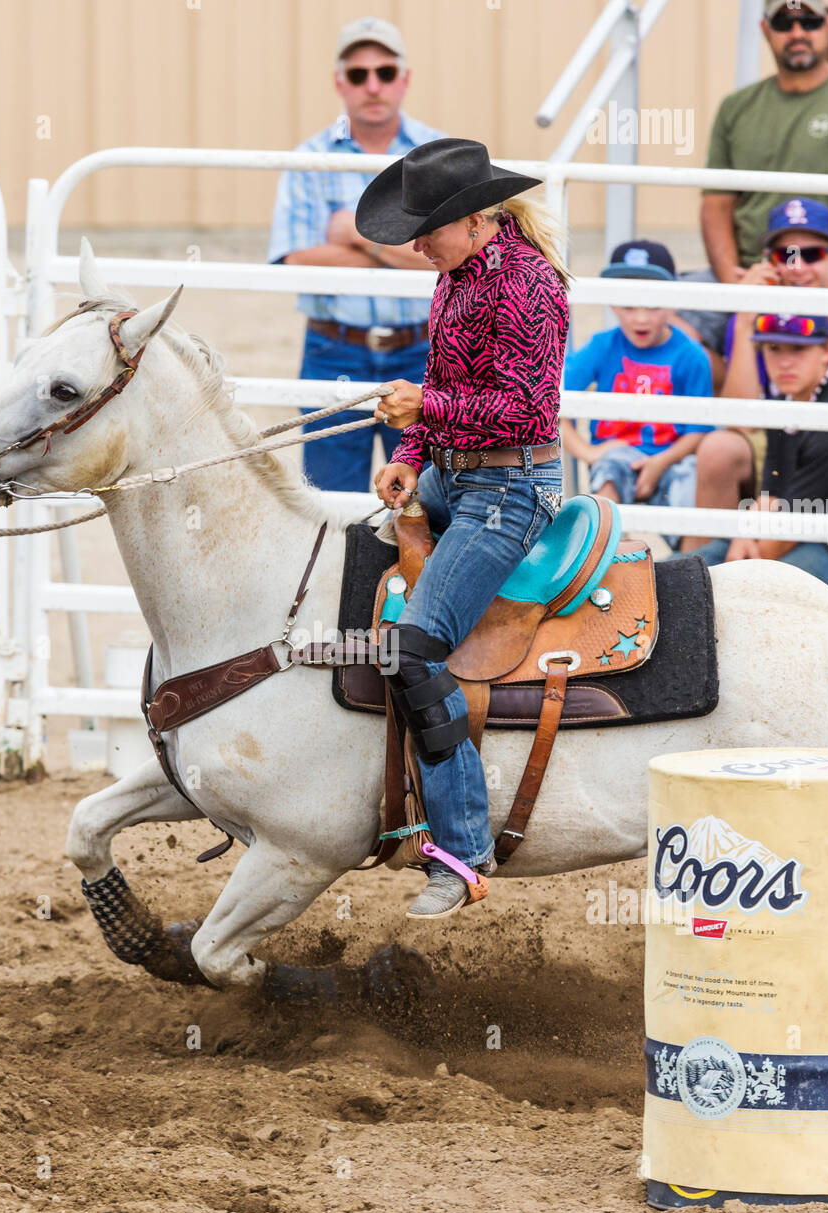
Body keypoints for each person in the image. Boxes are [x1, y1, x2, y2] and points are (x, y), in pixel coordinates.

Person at [357, 138, 570, 919]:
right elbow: (444, 384)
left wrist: (426, 413)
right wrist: (413, 454)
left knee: (415, 647)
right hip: (462, 473)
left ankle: (464, 849)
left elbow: (527, 411)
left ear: (475, 219)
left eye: (427, 229)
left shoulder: (528, 288)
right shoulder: (458, 276)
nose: (415, 244)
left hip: (510, 489)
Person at [267, 16, 445, 492]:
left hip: (427, 350)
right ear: (339, 82)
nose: (373, 85)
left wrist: (358, 234)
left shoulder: (435, 155)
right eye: (359, 74)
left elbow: (453, 256)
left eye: (385, 72)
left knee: (429, 503)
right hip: (333, 349)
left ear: (404, 79)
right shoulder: (310, 157)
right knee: (331, 508)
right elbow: (297, 263)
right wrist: (404, 244)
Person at [678, 0, 828, 359]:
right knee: (668, 339)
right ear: (765, 30)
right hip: (751, 269)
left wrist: (816, 271)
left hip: (820, 268)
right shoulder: (737, 107)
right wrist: (734, 283)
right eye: (783, 23)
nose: (797, 33)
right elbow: (716, 204)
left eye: (808, 21)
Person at [682, 196, 828, 549]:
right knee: (719, 449)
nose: (798, 268)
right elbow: (740, 419)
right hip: (775, 440)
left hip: (820, 443)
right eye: (786, 255)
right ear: (768, 261)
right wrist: (747, 313)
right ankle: (692, 578)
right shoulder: (758, 310)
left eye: (811, 255)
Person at [561, 240, 713, 546]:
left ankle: (688, 562)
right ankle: (608, 556)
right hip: (616, 453)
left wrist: (660, 463)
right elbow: (552, 401)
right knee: (608, 477)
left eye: (653, 306)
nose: (640, 318)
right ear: (613, 303)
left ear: (673, 303)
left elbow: (699, 430)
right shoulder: (603, 345)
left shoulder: (691, 355)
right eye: (629, 306)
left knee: (690, 481)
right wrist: (588, 453)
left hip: (672, 458)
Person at [695, 312, 828, 585]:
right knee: (700, 561)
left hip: (821, 539)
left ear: (827, 350)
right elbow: (773, 492)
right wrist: (745, 536)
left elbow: (799, 519)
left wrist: (746, 563)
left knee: (759, 586)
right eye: (773, 348)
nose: (784, 362)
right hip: (796, 527)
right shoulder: (783, 401)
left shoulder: (826, 413)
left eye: (799, 349)